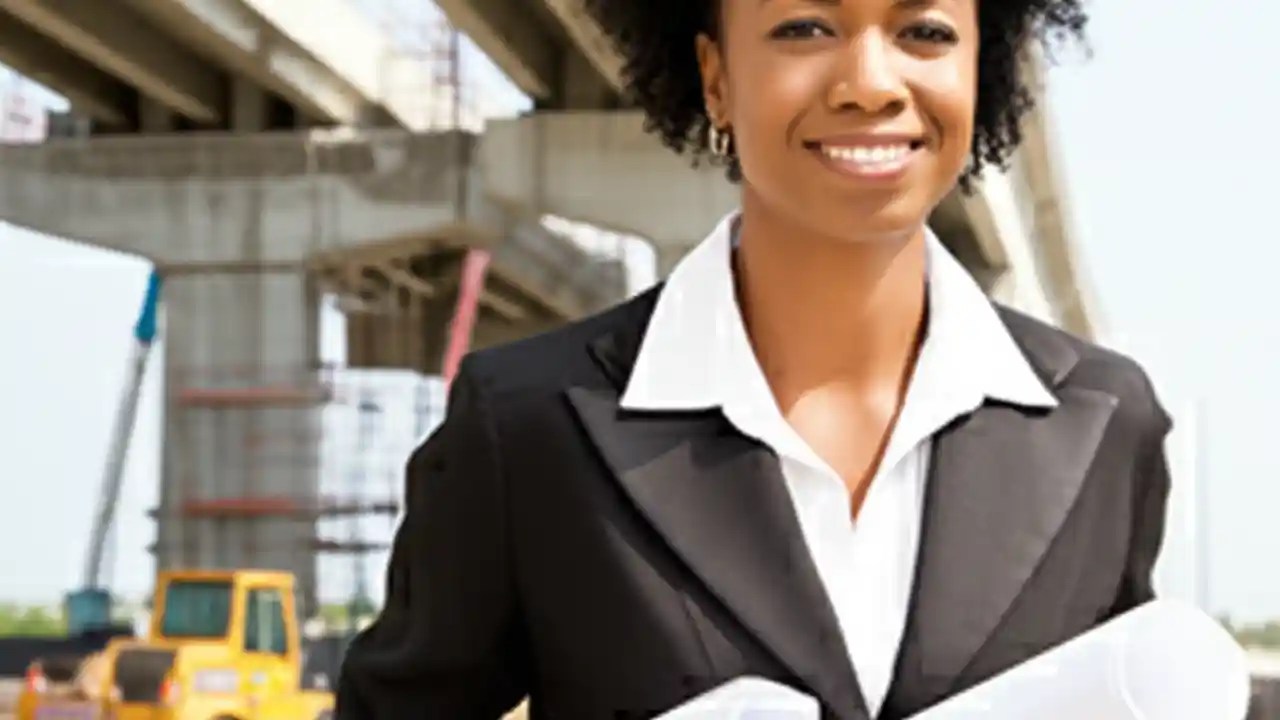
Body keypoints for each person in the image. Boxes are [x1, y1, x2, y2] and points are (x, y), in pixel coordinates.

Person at [336, 0, 1172, 718]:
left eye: (923, 30)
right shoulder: (526, 426)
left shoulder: (1103, 424)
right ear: (716, 78)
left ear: (980, 63)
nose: (872, 82)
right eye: (805, 27)